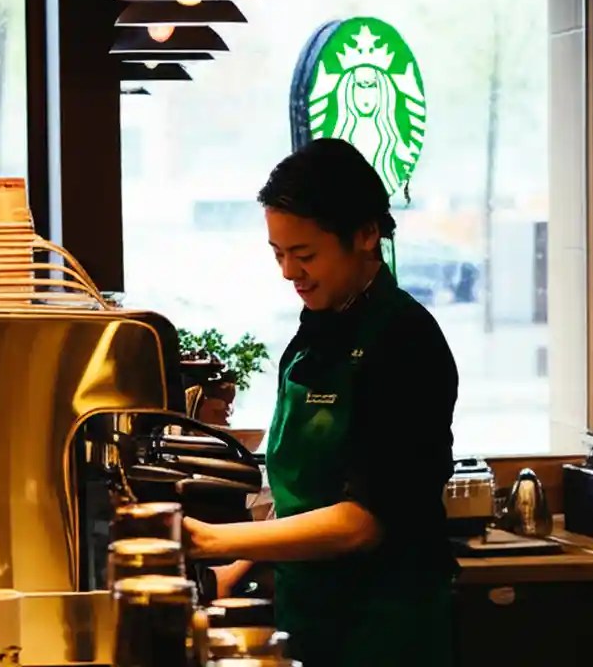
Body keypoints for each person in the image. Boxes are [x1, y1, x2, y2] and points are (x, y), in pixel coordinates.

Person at [184, 138, 459, 666]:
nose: (289, 272)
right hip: (308, 620)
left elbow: (362, 521)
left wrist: (217, 540)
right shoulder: (319, 330)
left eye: (304, 254)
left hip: (386, 632)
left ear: (365, 234)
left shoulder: (404, 341)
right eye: (279, 254)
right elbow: (305, 498)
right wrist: (234, 569)